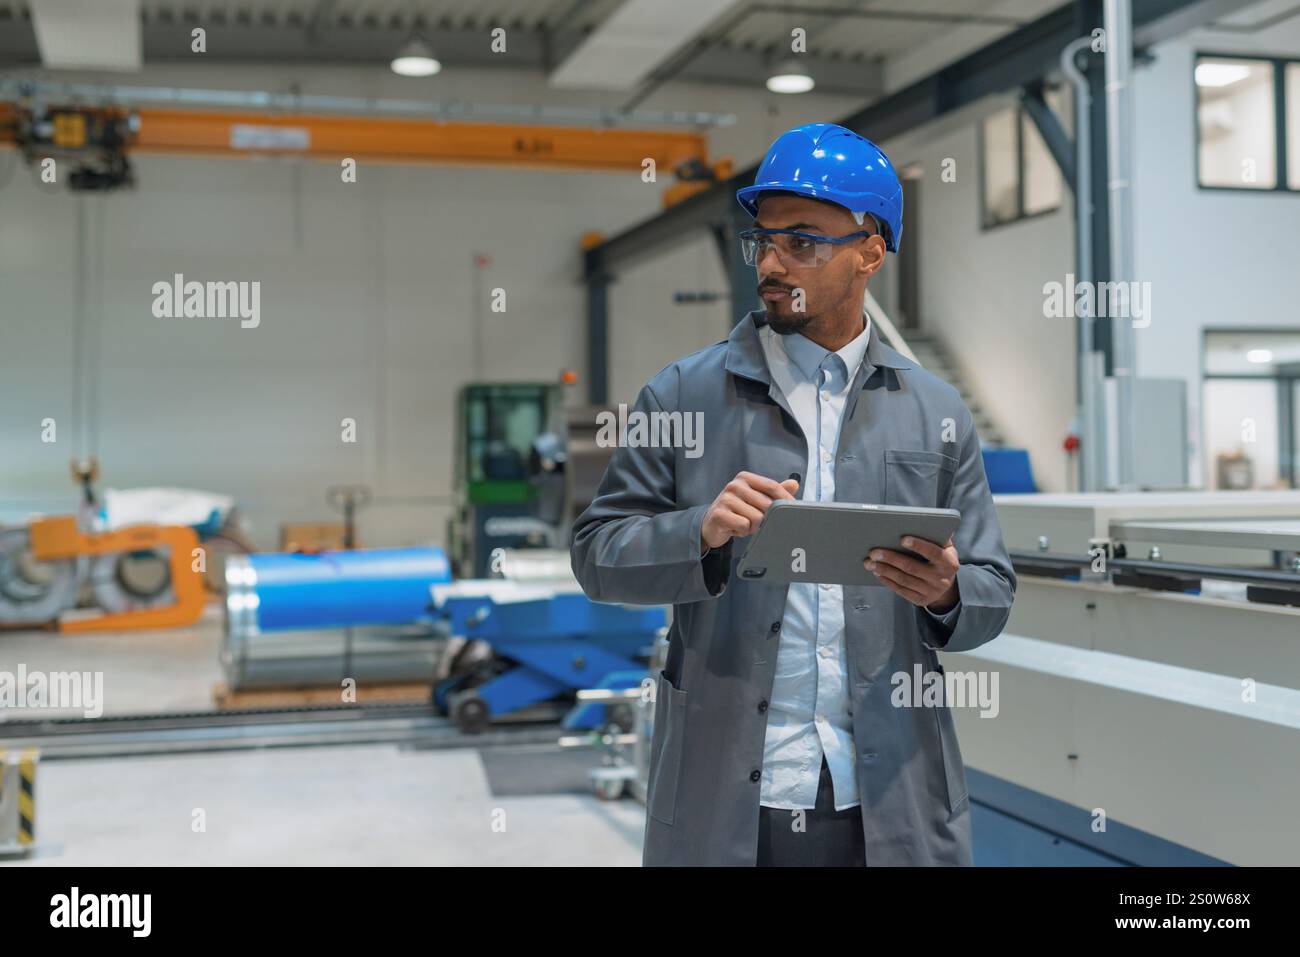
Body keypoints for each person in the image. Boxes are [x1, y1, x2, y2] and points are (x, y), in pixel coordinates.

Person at [571, 122, 1015, 866]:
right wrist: (698, 534)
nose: (772, 263)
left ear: (871, 250)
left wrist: (946, 592)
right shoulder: (685, 394)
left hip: (889, 801)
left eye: (802, 242)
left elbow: (993, 589)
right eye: (763, 240)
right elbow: (596, 555)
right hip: (731, 800)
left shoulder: (935, 410)